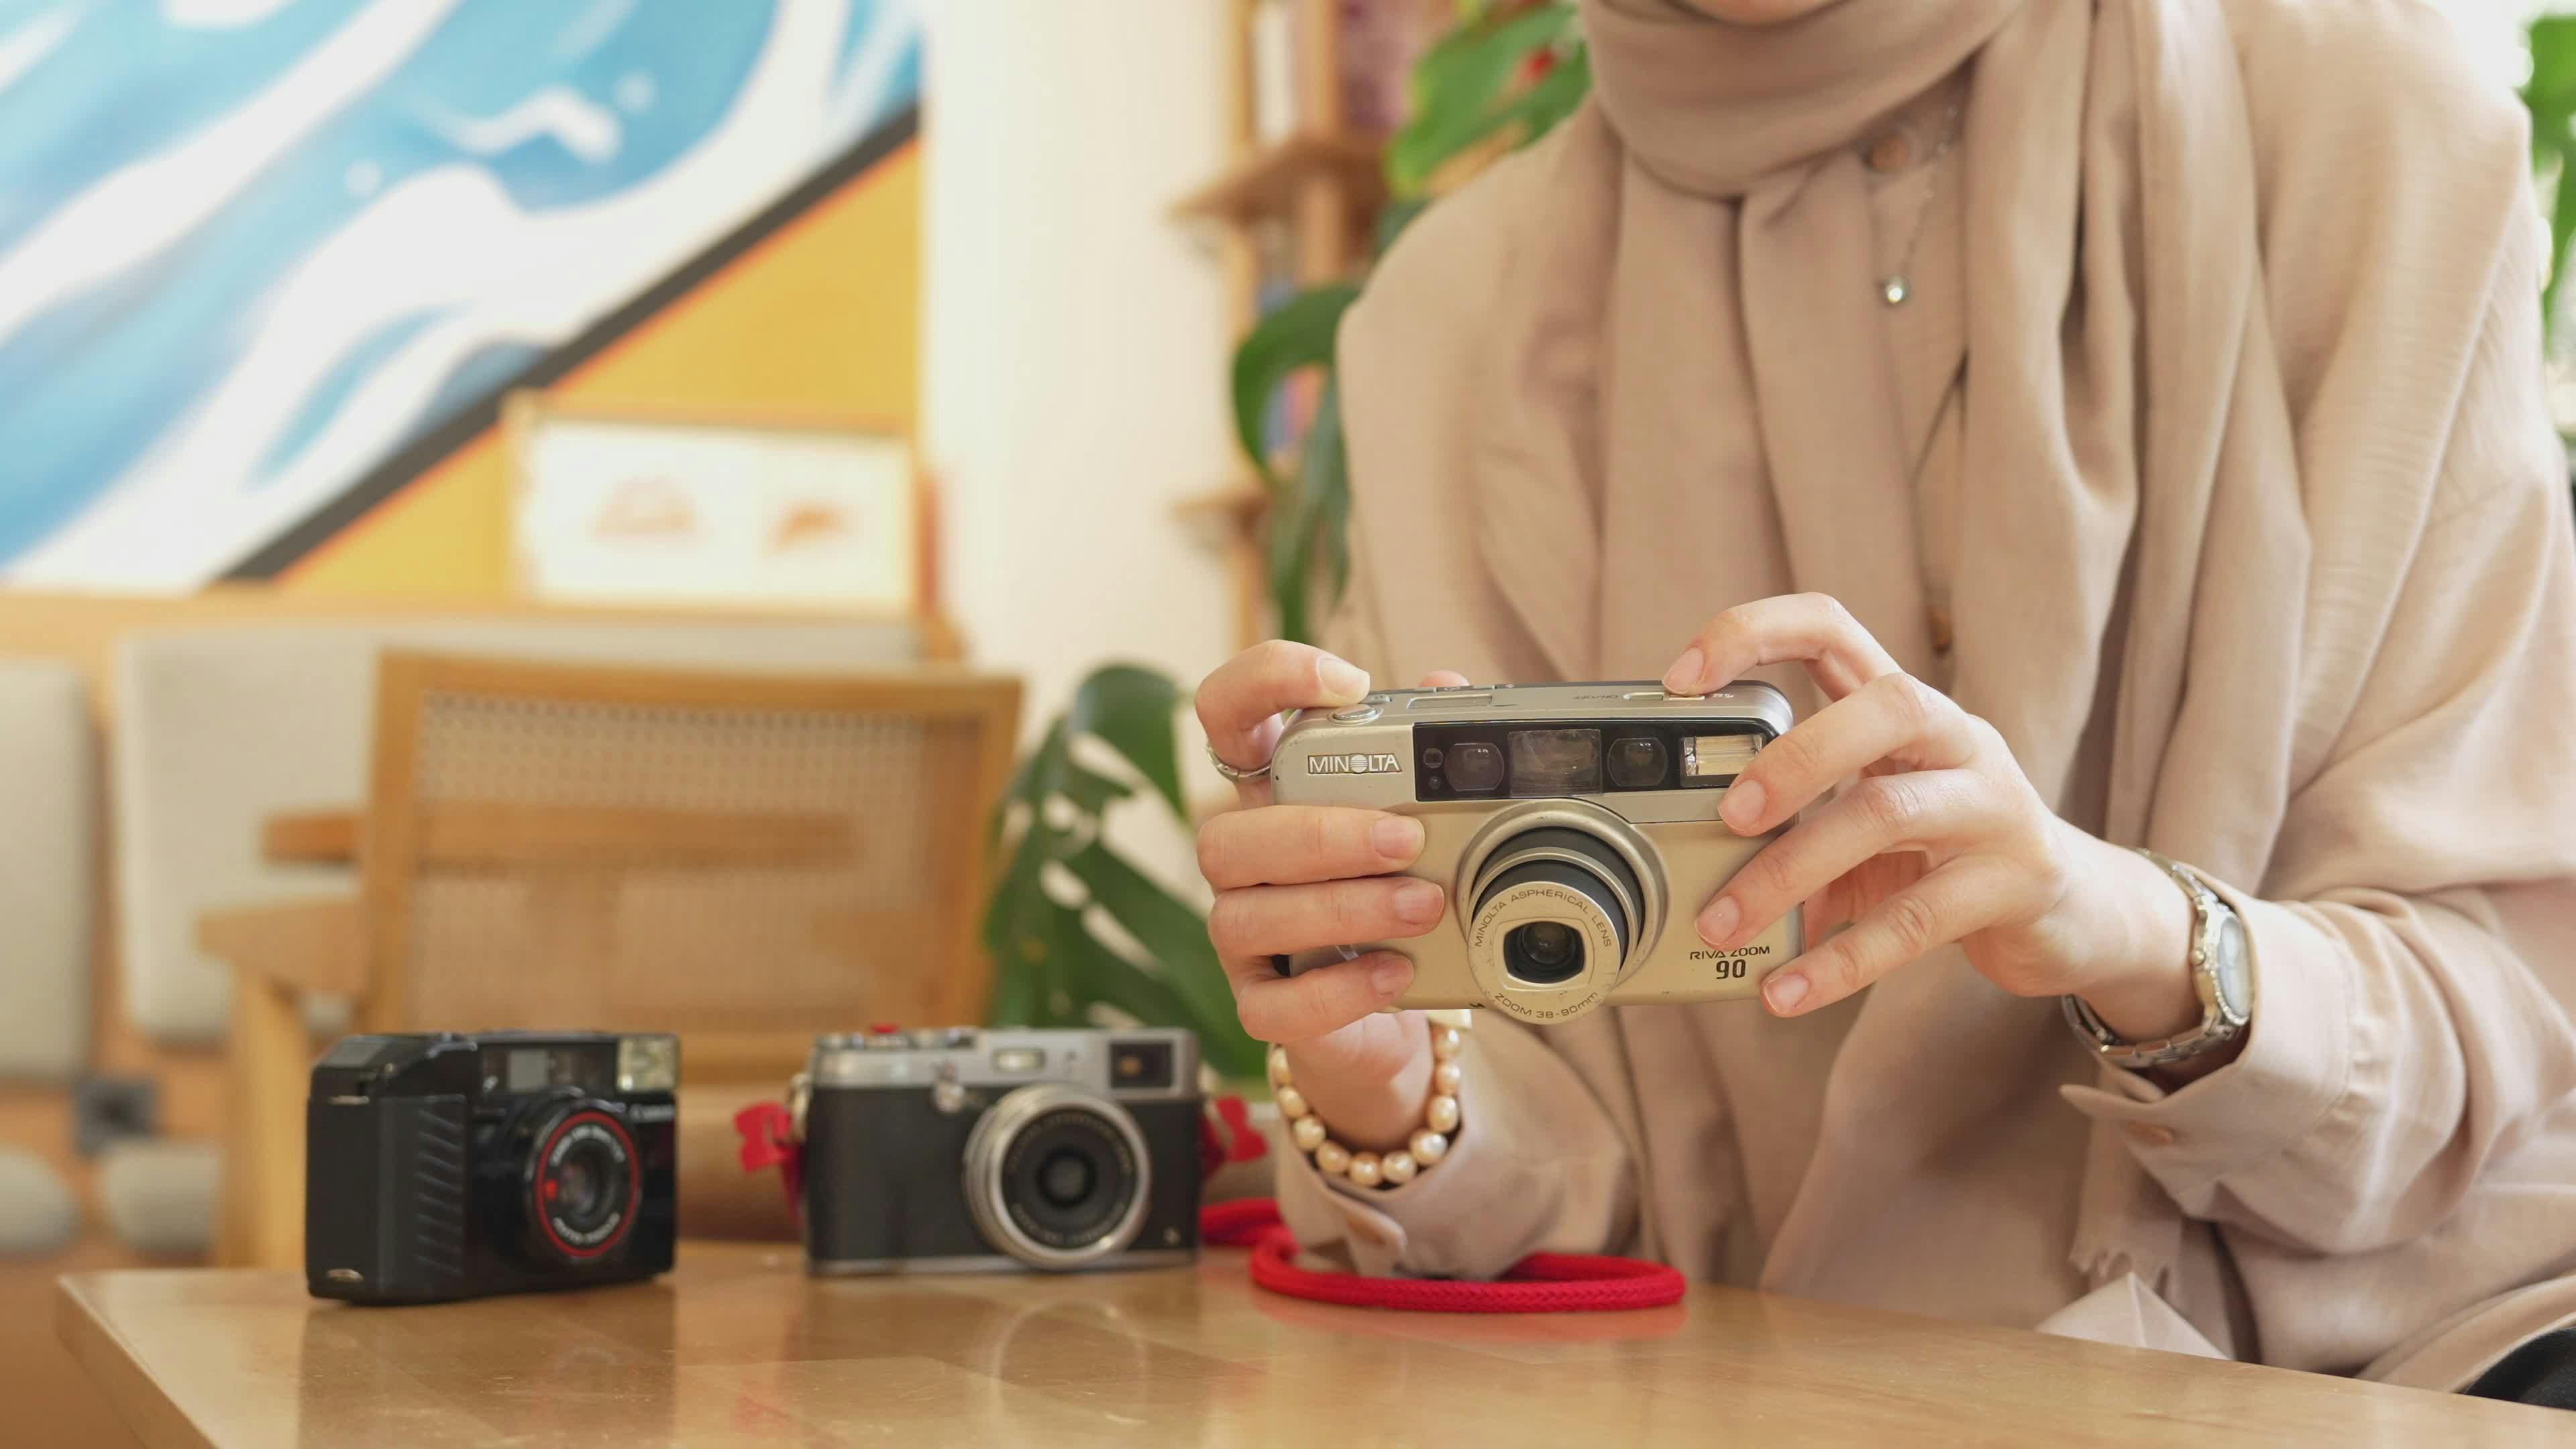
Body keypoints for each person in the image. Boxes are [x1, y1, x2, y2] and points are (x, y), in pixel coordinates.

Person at [1191, 0, 2576, 1402]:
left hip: (2387, 1373)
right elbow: (1542, 1208)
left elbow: (2496, 1018)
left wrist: (2126, 928)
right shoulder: (1447, 318)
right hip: (1741, 1386)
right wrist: (1385, 1084)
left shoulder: (2370, 129)